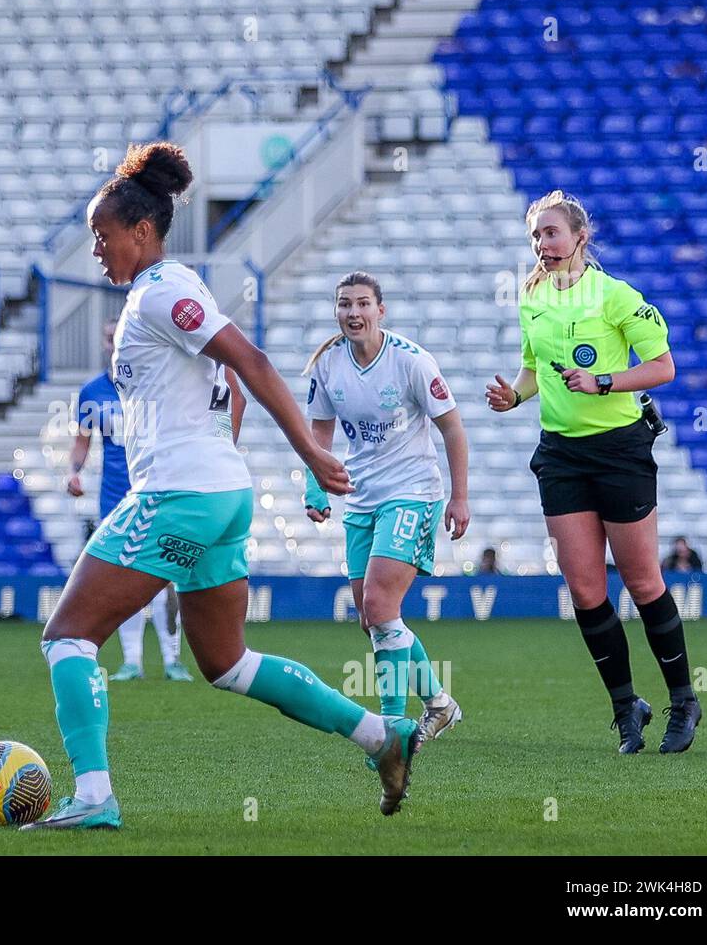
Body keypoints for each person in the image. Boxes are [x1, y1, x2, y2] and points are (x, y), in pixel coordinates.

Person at [24, 142, 422, 831]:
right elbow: (228, 381)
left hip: (180, 492)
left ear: (141, 232)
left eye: (103, 235)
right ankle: (381, 735)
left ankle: (93, 795)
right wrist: (218, 464)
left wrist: (308, 450)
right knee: (227, 662)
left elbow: (251, 360)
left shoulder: (163, 292)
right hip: (214, 492)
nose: (96, 250)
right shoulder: (180, 287)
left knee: (67, 636)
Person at [486, 189, 700, 754]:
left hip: (619, 450)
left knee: (643, 581)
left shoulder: (615, 296)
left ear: (580, 237)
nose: (542, 245)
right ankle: (626, 706)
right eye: (535, 235)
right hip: (561, 453)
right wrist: (513, 395)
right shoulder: (531, 296)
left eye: (551, 233)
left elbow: (663, 367)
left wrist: (605, 381)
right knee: (584, 589)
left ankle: (684, 700)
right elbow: (534, 370)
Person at [301, 272, 467, 765]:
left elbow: (453, 429)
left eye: (362, 304)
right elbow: (320, 432)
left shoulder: (411, 361)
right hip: (361, 498)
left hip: (413, 494)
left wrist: (460, 498)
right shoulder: (328, 364)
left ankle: (393, 729)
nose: (353, 313)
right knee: (373, 619)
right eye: (345, 305)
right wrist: (316, 487)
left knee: (378, 604)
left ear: (381, 310)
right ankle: (439, 702)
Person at [67, 321, 201, 682]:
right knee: (122, 579)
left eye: (119, 337)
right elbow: (82, 441)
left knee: (164, 579)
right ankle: (132, 661)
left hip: (159, 492)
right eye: (109, 338)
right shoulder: (92, 392)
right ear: (103, 342)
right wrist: (74, 471)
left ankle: (173, 659)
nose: (115, 344)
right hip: (115, 497)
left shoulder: (155, 383)